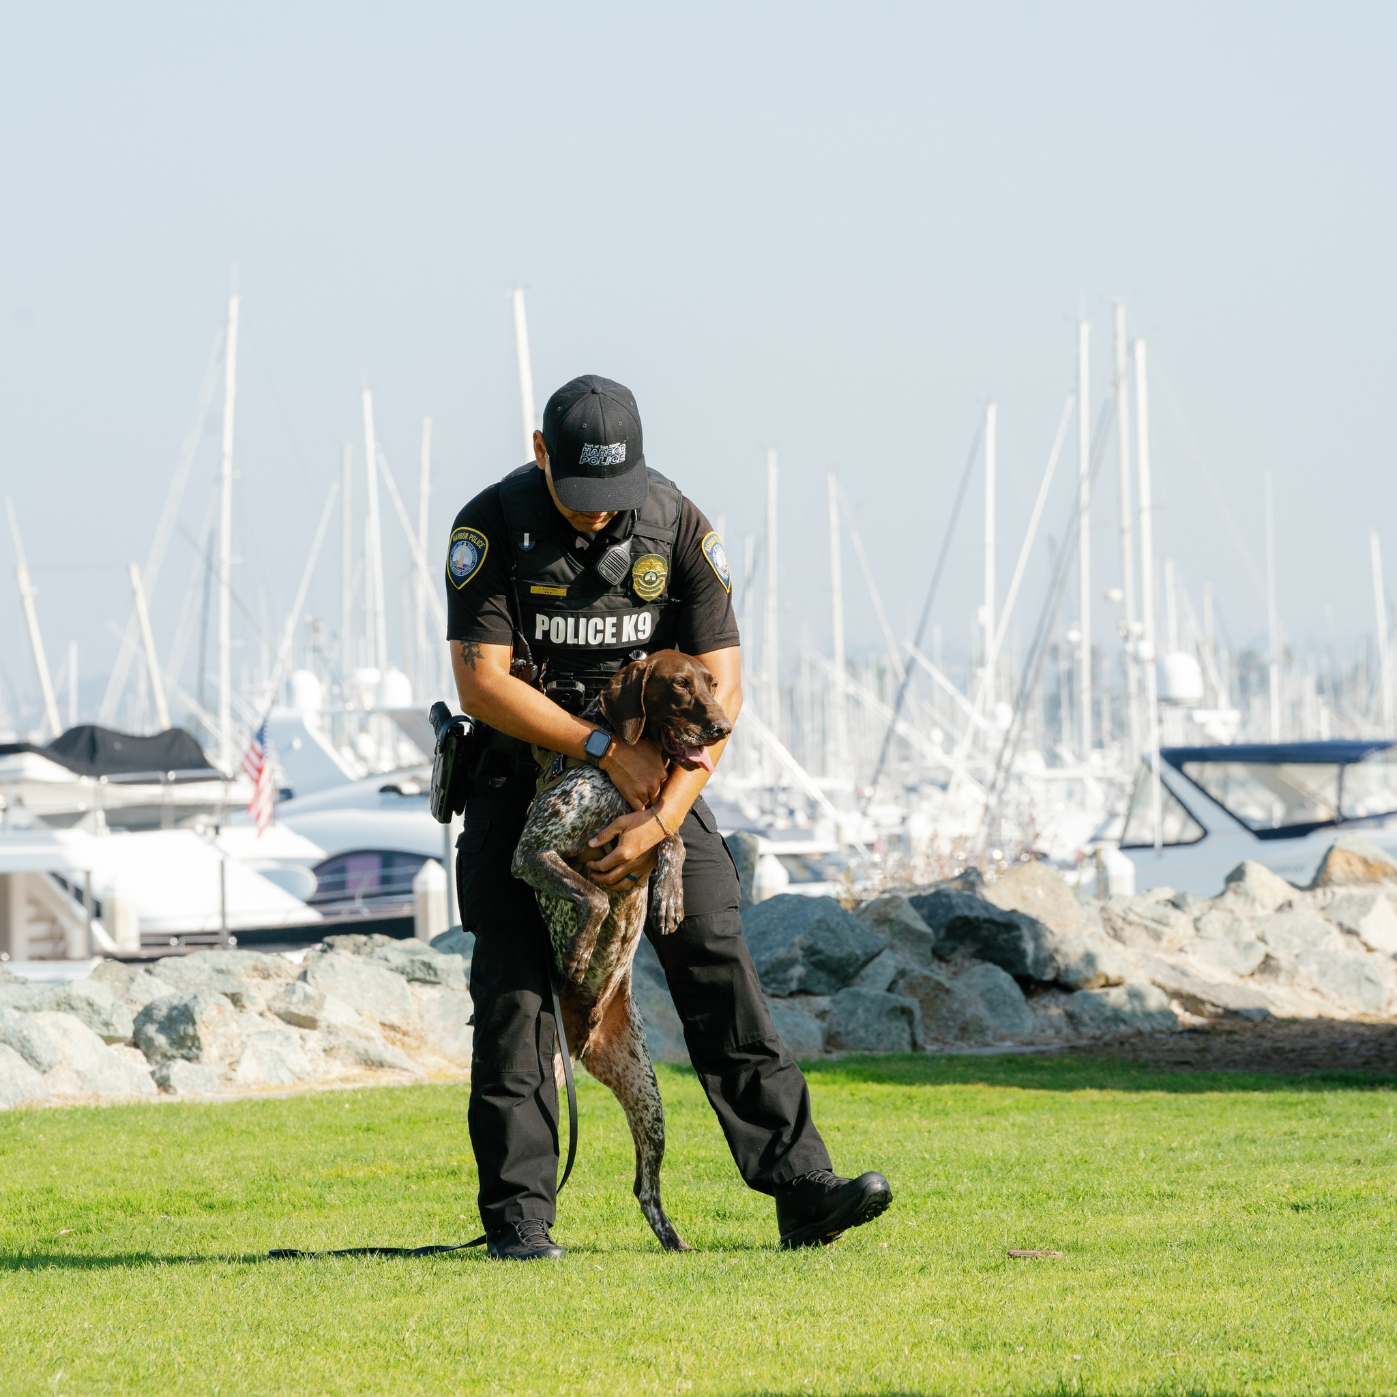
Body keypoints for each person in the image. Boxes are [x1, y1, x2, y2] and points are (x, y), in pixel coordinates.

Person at [445, 373, 891, 1261]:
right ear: (540, 452)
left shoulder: (675, 522)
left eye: (613, 491)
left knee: (716, 955)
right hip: (522, 780)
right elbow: (481, 682)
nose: (598, 510)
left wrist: (660, 819)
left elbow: (723, 691)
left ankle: (802, 1186)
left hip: (659, 785)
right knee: (516, 995)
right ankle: (520, 1221)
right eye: (580, 490)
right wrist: (603, 750)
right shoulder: (489, 526)